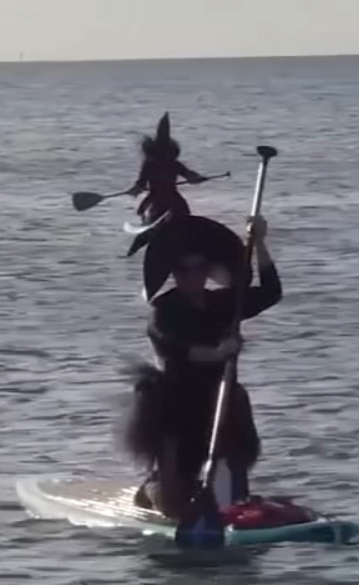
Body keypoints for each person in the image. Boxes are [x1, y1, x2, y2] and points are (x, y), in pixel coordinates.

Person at [120, 212, 282, 521]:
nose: (192, 276)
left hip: (218, 400)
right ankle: (151, 489)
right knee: (174, 508)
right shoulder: (164, 311)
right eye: (184, 269)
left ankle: (232, 495)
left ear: (207, 270)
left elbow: (271, 292)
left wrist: (260, 242)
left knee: (235, 413)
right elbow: (177, 350)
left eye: (199, 268)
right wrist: (219, 351)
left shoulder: (224, 303)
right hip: (175, 409)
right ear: (175, 273)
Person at [123, 113, 210, 264]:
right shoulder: (151, 164)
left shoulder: (171, 163)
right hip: (159, 200)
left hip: (171, 199)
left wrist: (198, 178)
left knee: (183, 222)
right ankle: (130, 255)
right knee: (151, 230)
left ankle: (186, 251)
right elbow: (141, 184)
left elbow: (189, 175)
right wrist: (135, 189)